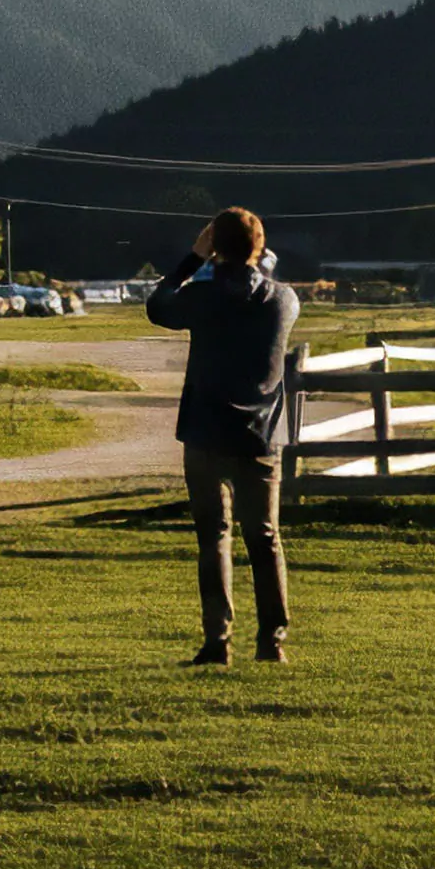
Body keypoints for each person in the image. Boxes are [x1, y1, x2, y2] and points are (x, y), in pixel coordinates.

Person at [146, 205, 299, 665]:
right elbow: (260, 279)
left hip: (206, 430)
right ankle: (272, 642)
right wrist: (255, 258)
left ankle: (218, 640)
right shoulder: (285, 301)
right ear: (259, 247)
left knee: (214, 536)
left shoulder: (202, 299)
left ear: (215, 248)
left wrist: (194, 258)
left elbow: (158, 305)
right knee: (265, 537)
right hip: (261, 436)